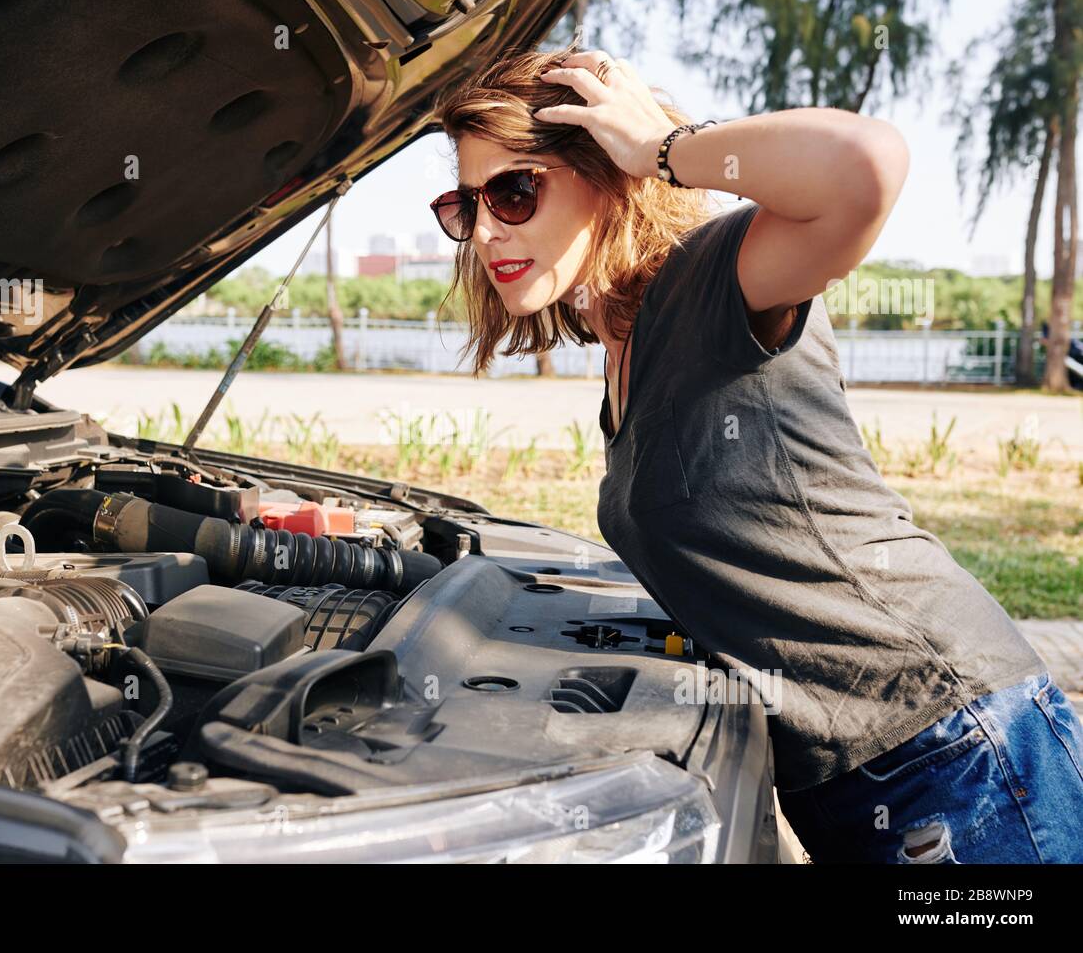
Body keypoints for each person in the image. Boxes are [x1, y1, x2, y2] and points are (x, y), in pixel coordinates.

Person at [428, 42, 1083, 863]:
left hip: (947, 746)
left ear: (604, 174)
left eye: (514, 190)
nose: (485, 230)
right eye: (464, 206)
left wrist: (662, 149)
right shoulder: (622, 352)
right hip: (851, 775)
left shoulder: (711, 279)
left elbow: (865, 164)